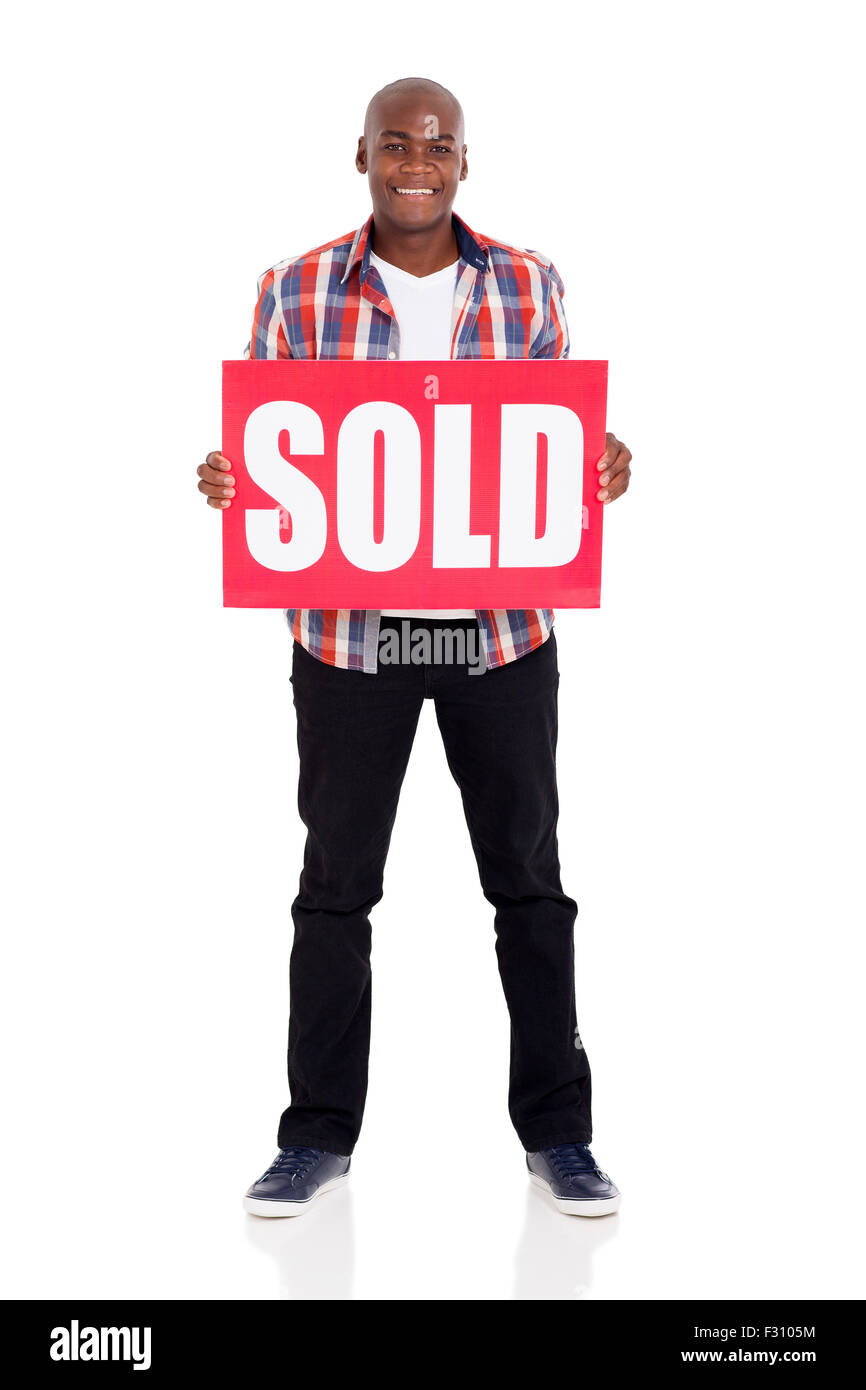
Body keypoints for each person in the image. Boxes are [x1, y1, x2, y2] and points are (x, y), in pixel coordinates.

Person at [197, 76, 632, 1219]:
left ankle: (560, 1135)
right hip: (347, 643)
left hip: (501, 641)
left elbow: (553, 442)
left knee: (529, 888)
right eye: (395, 144)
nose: (415, 163)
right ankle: (315, 1137)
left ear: (463, 162)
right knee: (333, 893)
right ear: (361, 156)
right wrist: (233, 483)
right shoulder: (293, 288)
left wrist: (600, 464)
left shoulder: (527, 283)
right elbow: (271, 450)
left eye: (435, 146)